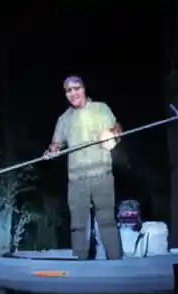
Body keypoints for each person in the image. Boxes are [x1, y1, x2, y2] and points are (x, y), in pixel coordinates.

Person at [43, 75, 124, 260]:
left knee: (107, 221)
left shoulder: (101, 109)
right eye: (68, 90)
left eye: (76, 88)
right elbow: (56, 143)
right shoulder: (64, 119)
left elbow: (117, 128)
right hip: (76, 179)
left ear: (84, 88)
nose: (73, 93)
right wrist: (51, 151)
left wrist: (113, 134)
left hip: (101, 174)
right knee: (78, 226)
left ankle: (117, 263)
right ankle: (80, 265)